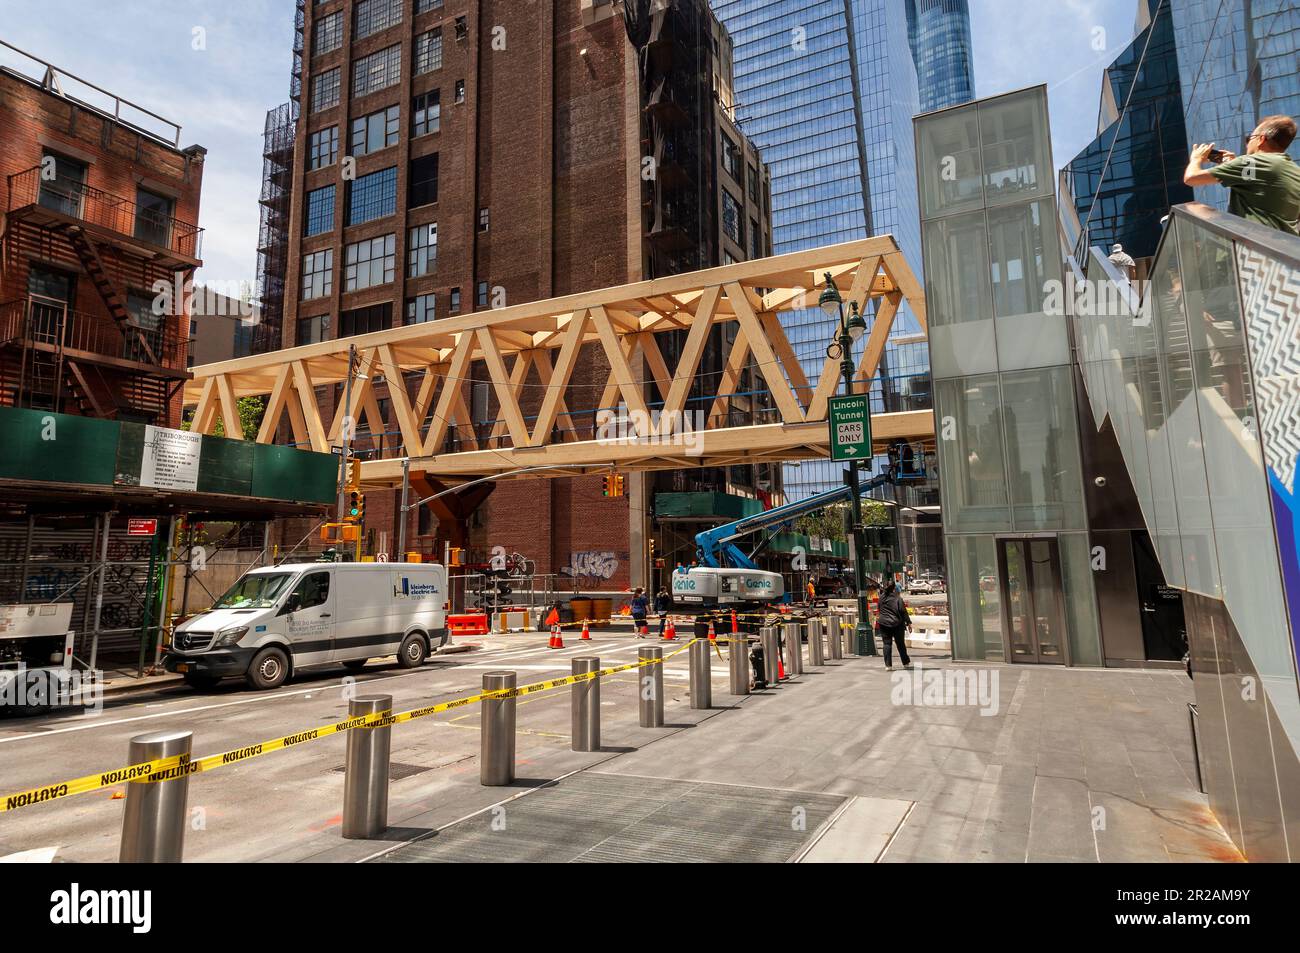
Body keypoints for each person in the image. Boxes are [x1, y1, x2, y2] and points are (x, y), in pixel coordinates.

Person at [1184, 115, 1300, 236]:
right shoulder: (1295, 171)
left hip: (1255, 241)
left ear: (1261, 139)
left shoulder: (1251, 162)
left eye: (1249, 139)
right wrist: (1233, 165)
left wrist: (1196, 159)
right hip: (1286, 244)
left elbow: (1191, 178)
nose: (1247, 144)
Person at [875, 581, 912, 671]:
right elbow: (903, 611)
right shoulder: (897, 598)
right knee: (900, 644)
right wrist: (908, 622)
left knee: (887, 644)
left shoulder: (881, 597)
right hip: (897, 623)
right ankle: (905, 663)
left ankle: (888, 665)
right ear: (894, 588)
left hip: (883, 623)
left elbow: (879, 608)